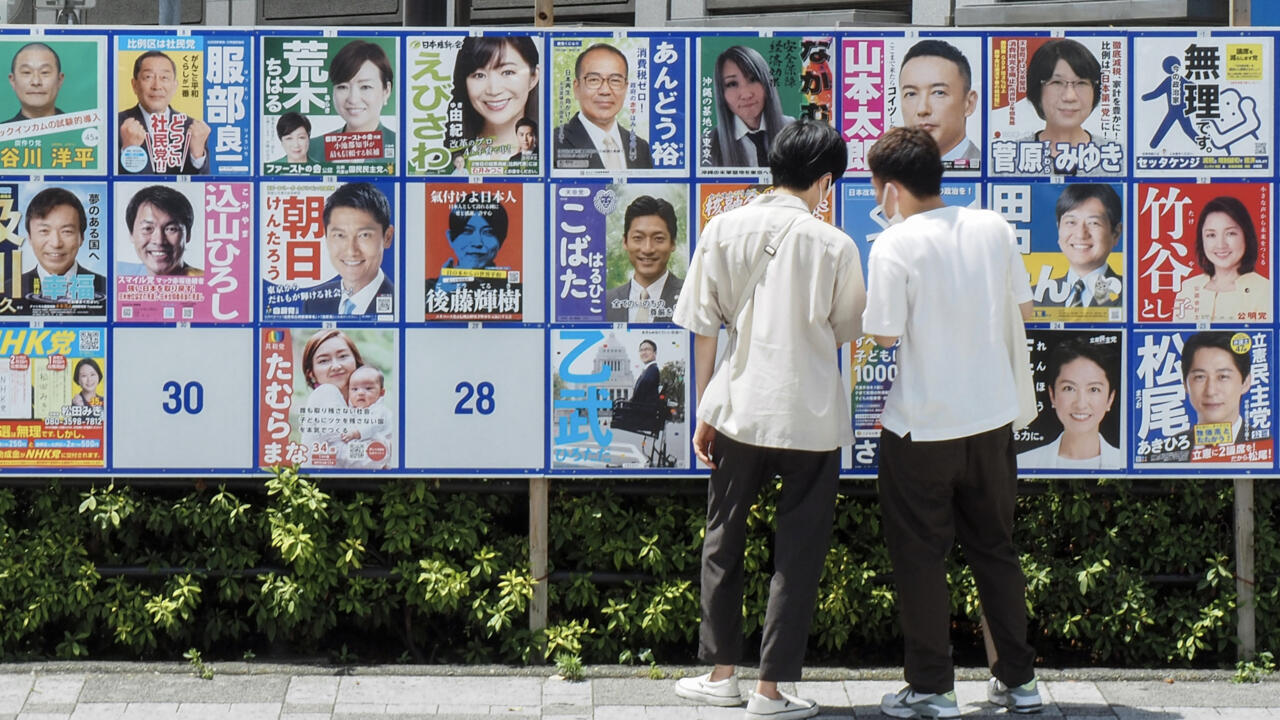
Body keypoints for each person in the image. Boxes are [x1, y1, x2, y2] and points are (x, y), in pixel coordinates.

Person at [671, 120, 865, 720]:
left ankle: (720, 674)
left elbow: (703, 327)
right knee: (798, 551)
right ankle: (770, 691)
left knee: (723, 539)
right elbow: (845, 329)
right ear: (825, 180)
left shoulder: (722, 228)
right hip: (810, 415)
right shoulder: (834, 244)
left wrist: (705, 405)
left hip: (736, 408)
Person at [862, 126, 1040, 718]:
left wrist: (891, 236)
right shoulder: (992, 226)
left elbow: (883, 333)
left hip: (921, 427)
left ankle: (933, 688)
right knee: (996, 549)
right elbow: (1026, 307)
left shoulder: (893, 243)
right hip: (991, 419)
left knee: (920, 556)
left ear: (888, 189)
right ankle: (1020, 684)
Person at [1017, 340, 1121, 469]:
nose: (1081, 404)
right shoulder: (1023, 463)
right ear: (1052, 395)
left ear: (1110, 399)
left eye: (1094, 389)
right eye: (1069, 388)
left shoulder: (1122, 462)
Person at [553, 43, 652, 170]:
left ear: (626, 88)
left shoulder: (641, 148)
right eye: (594, 80)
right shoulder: (552, 143)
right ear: (576, 88)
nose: (605, 90)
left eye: (615, 80)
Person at [301, 182, 395, 316]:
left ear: (387, 237)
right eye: (340, 235)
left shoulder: (402, 305)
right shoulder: (314, 302)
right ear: (326, 236)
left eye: (364, 235)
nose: (351, 251)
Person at [1174, 196, 1270, 323]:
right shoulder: (1188, 289)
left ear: (1246, 235)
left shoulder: (1266, 291)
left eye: (1230, 233)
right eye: (1211, 235)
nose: (1220, 245)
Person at [451, 36, 540, 170]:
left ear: (533, 78)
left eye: (507, 72)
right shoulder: (443, 162)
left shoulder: (553, 156)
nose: (493, 90)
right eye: (479, 75)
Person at [118, 50, 210, 174]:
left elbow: (204, 186)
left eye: (164, 78)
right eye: (148, 77)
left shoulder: (192, 128)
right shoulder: (115, 124)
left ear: (175, 86)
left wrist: (198, 156)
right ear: (134, 85)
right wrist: (129, 151)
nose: (157, 86)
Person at [707, 45, 795, 168]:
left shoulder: (792, 129)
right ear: (721, 93)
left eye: (753, 79)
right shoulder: (706, 146)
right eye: (732, 84)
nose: (746, 94)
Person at [309, 40, 395, 164]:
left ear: (386, 91)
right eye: (343, 87)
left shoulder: (403, 149)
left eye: (365, 87)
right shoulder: (312, 149)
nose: (353, 99)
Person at [897, 39, 979, 164]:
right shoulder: (890, 174)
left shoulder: (995, 171)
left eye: (939, 93)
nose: (922, 109)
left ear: (969, 103)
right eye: (911, 94)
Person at [1041, 184, 1123, 308]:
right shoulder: (1036, 296)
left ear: (1116, 233)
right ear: (1059, 228)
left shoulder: (1132, 294)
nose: (1081, 234)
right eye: (1071, 222)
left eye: (1094, 223)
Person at [20, 187, 106, 301]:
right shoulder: (8, 291)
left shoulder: (108, 289)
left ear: (82, 237)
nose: (56, 243)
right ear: (30, 238)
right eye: (44, 231)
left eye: (66, 231)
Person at [606, 195, 682, 323]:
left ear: (673, 243)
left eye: (658, 238)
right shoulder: (606, 301)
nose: (647, 249)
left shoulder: (691, 297)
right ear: (625, 242)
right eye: (638, 238)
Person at [1176, 332, 1255, 449]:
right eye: (1200, 377)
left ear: (1245, 383)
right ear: (1185, 385)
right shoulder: (1163, 454)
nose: (1211, 391)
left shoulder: (1269, 449)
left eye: (1223, 377)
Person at [1023, 39, 1100, 154]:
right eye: (1057, 83)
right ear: (1037, 91)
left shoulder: (1117, 156)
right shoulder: (1011, 158)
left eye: (1081, 83)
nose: (1070, 97)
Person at [298, 329, 364, 461]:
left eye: (343, 356)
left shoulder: (361, 404)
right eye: (323, 361)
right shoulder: (326, 393)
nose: (336, 366)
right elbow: (346, 456)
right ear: (311, 373)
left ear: (356, 361)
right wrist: (384, 449)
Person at [119, 185, 201, 277]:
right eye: (148, 228)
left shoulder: (207, 283)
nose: (159, 241)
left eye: (171, 229)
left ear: (188, 235)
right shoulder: (116, 274)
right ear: (131, 234)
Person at [339, 364, 394, 470]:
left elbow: (373, 425)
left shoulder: (379, 410)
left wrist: (356, 433)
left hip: (381, 448)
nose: (360, 393)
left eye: (368, 388)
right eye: (354, 389)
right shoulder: (352, 409)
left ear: (382, 393)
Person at [6, 42, 64, 122]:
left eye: (45, 72)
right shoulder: (3, 132)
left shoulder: (78, 130)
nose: (36, 82)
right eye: (26, 72)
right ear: (13, 80)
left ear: (59, 80)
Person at [629, 339, 660, 409]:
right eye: (641, 350)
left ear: (655, 353)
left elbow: (640, 396)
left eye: (647, 349)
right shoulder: (647, 370)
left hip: (643, 415)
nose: (644, 353)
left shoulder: (652, 370)